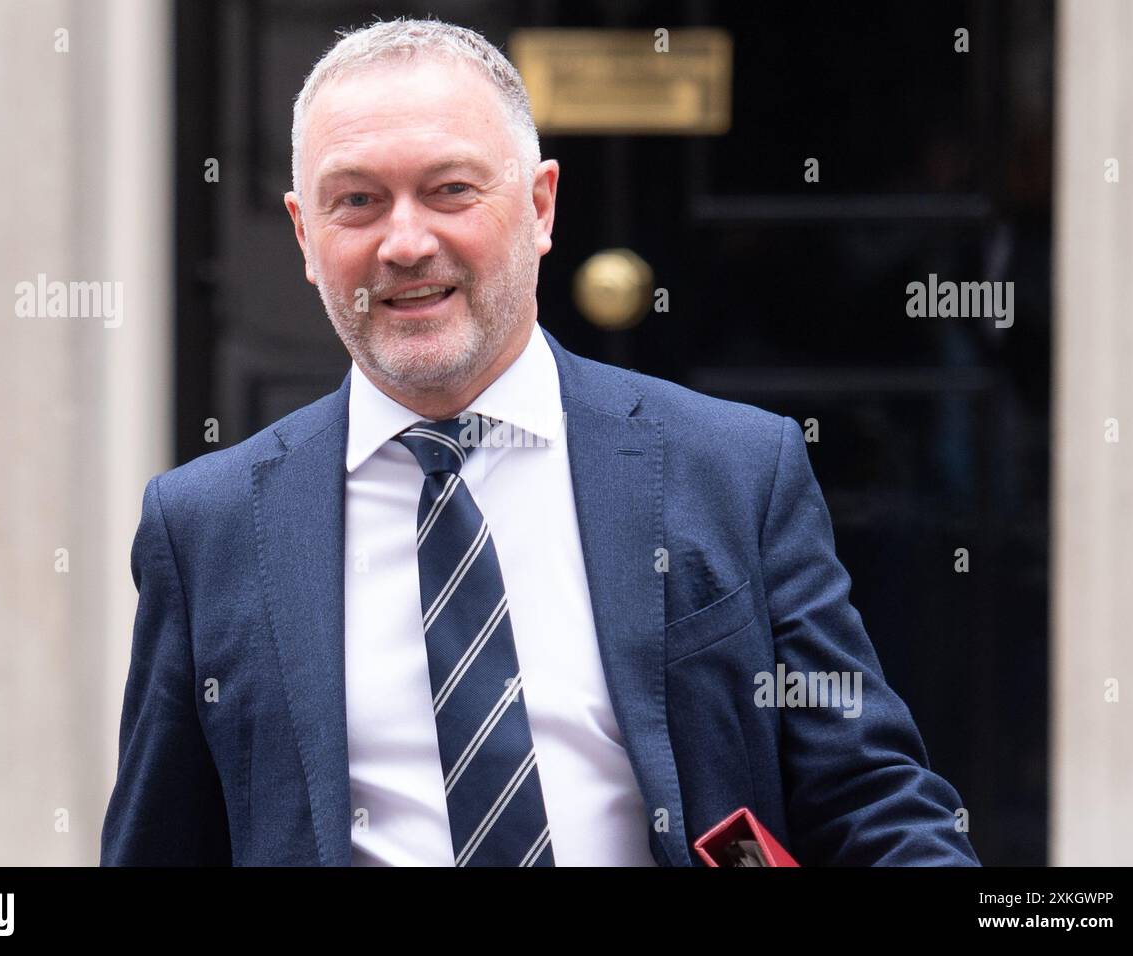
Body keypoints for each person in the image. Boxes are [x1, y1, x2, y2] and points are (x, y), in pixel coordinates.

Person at [100, 17, 980, 867]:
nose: (406, 242)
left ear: (540, 204)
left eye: (451, 190)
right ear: (304, 233)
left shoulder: (735, 472)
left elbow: (869, 800)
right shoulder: (206, 528)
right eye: (358, 201)